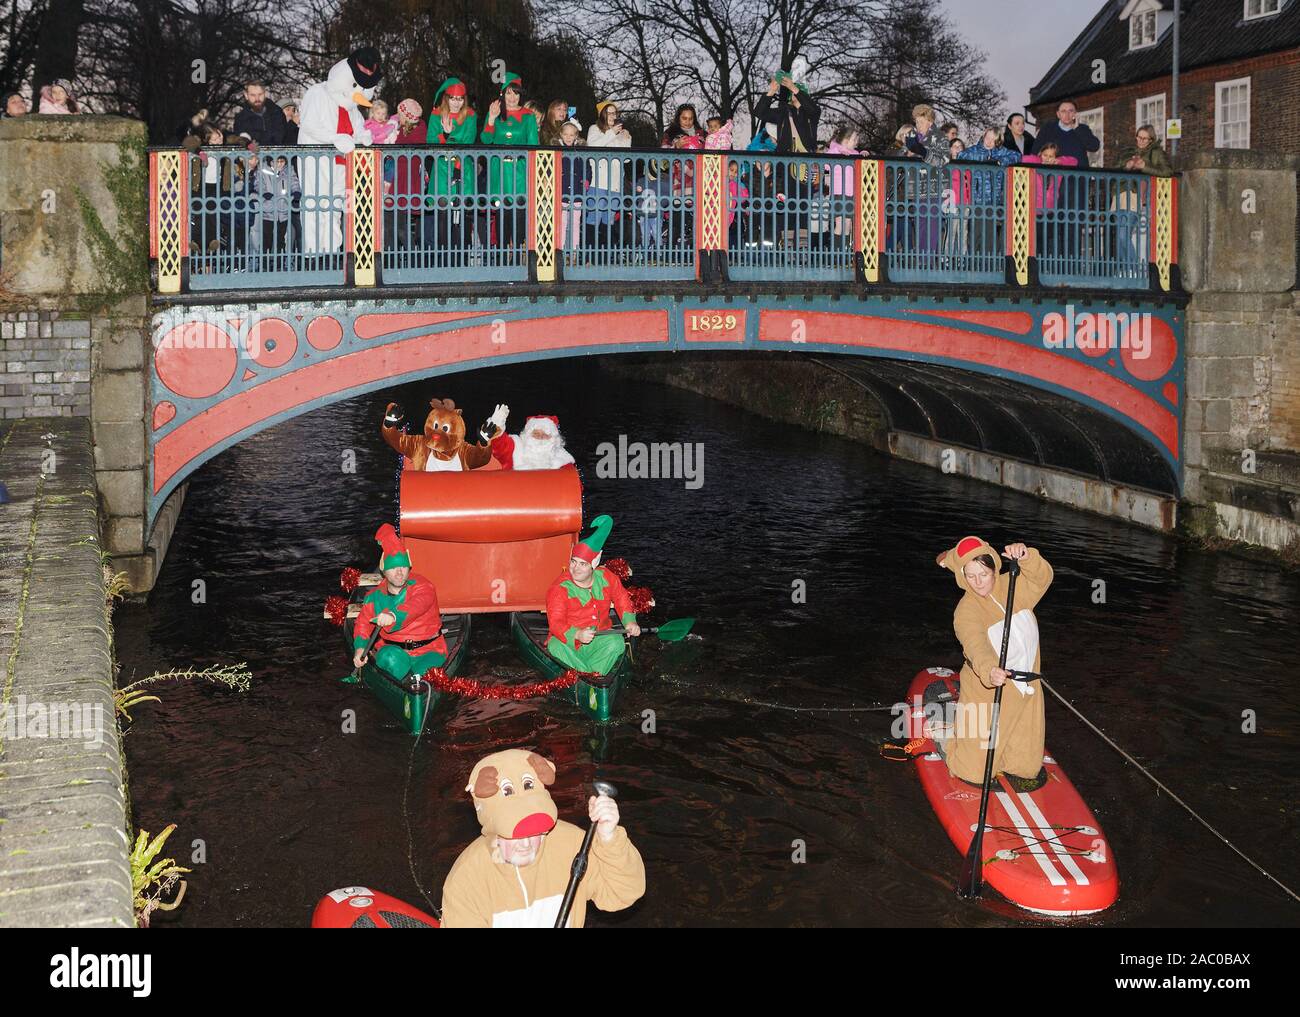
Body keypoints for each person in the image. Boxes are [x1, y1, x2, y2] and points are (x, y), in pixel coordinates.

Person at [440, 749, 646, 927]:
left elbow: (623, 894)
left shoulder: (571, 845)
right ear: (494, 829)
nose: (526, 844)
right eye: (515, 834)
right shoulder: (467, 877)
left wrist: (609, 838)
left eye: (535, 832)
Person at [931, 537, 1054, 792]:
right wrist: (989, 669)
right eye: (971, 576)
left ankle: (1007, 751)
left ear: (994, 568)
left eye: (984, 574)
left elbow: (1042, 578)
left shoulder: (1013, 587)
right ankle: (947, 738)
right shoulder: (966, 610)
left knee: (1025, 767)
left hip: (1027, 685)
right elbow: (975, 646)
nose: (978, 583)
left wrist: (1027, 557)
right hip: (989, 689)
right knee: (973, 771)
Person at [545, 514, 640, 675]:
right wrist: (577, 634)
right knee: (554, 646)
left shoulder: (606, 577)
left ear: (594, 564)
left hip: (598, 639)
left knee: (616, 642)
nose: (575, 568)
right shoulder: (559, 589)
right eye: (573, 562)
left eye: (582, 564)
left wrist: (630, 622)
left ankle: (589, 677)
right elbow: (556, 623)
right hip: (568, 644)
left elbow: (621, 598)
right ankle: (592, 677)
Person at [352, 523, 448, 680]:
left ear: (409, 568)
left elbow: (416, 606)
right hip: (393, 650)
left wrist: (393, 616)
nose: (399, 573)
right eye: (394, 568)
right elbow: (363, 625)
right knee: (389, 659)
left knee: (426, 675)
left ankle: (419, 691)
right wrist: (359, 649)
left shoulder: (424, 586)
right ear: (383, 570)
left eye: (403, 567)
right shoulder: (373, 597)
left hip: (429, 650)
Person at [480, 71, 538, 255]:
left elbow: (533, 145)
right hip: (500, 171)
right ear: (503, 95)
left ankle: (518, 252)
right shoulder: (496, 114)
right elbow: (485, 140)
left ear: (521, 95)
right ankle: (502, 254)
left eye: (516, 93)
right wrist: (490, 118)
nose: (512, 97)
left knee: (519, 211)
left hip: (520, 171)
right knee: (502, 213)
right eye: (508, 93)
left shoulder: (528, 116)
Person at [425, 78, 480, 254]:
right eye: (453, 98)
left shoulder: (470, 115)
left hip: (463, 167)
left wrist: (449, 139)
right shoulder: (436, 114)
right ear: (446, 98)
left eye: (460, 98)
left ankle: (461, 257)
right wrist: (446, 134)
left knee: (462, 214)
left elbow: (468, 141)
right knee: (443, 214)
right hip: (441, 168)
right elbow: (431, 141)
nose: (457, 102)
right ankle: (443, 257)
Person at [955, 127, 1020, 259]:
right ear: (983, 136)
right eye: (988, 137)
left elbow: (1017, 156)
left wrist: (1000, 161)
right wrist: (984, 157)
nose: (989, 142)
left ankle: (989, 260)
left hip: (994, 199)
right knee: (976, 230)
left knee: (989, 231)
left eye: (993, 140)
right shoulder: (975, 150)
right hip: (977, 198)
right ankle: (974, 259)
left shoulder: (1000, 152)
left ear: (998, 142)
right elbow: (961, 155)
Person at [903, 103, 950, 254]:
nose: (918, 125)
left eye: (921, 122)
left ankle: (928, 260)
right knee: (920, 223)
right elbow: (900, 155)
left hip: (934, 187)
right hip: (917, 187)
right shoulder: (913, 137)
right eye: (916, 122)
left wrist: (923, 153)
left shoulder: (940, 137)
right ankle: (922, 259)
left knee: (932, 224)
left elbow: (943, 159)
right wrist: (907, 154)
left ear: (930, 121)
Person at [585, 101, 631, 250]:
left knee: (609, 219)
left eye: (614, 113)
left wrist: (626, 139)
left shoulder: (619, 134)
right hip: (598, 182)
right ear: (602, 114)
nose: (612, 116)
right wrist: (612, 133)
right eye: (609, 112)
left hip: (615, 184)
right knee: (594, 217)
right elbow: (593, 146)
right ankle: (589, 253)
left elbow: (628, 158)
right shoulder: (595, 129)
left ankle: (605, 255)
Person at [489, 412, 577, 470]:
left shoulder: (563, 460)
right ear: (527, 436)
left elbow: (572, 485)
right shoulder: (517, 448)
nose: (540, 438)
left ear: (554, 439)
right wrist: (497, 428)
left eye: (545, 435)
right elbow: (500, 446)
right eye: (536, 434)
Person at [257, 155, 300, 266]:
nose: (280, 164)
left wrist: (296, 191)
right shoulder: (263, 170)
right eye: (277, 161)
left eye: (282, 161)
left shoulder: (288, 170)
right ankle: (265, 263)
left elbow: (294, 182)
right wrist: (264, 192)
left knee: (280, 238)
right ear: (270, 161)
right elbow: (258, 184)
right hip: (268, 211)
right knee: (267, 238)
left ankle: (279, 263)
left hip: (283, 211)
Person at [1034, 100, 1099, 166]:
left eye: (1071, 111)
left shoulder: (1083, 129)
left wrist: (1077, 129)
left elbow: (1094, 147)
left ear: (1075, 113)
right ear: (1058, 114)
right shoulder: (1047, 129)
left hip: (1079, 174)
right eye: (1063, 111)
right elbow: (1035, 152)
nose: (1067, 114)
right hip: (1055, 174)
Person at [233, 81, 287, 146]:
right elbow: (243, 143)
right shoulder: (241, 119)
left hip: (278, 154)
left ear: (265, 93)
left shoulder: (277, 112)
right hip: (253, 154)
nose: (257, 99)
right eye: (253, 95)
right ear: (246, 95)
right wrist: (253, 148)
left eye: (260, 94)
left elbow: (281, 138)